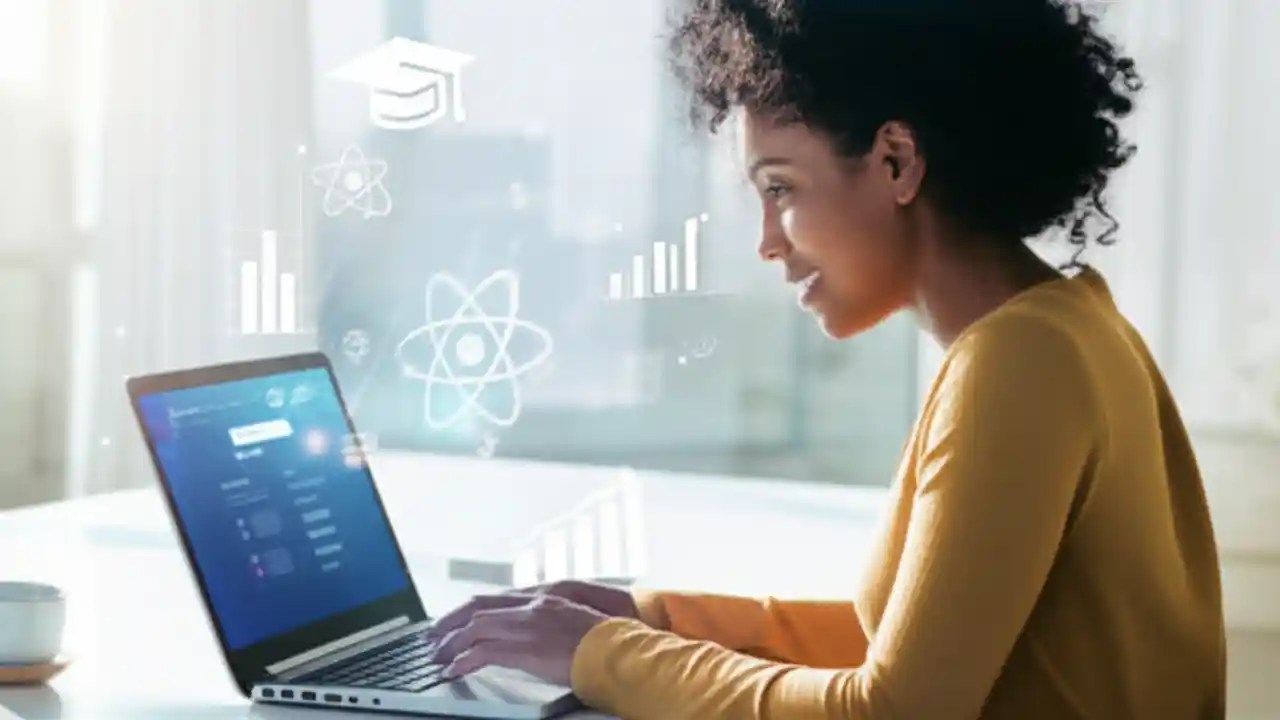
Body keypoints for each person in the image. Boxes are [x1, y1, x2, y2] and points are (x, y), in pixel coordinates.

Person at [427, 0, 1228, 717]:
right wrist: (654, 617)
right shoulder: (1071, 327)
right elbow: (899, 639)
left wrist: (600, 657)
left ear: (896, 162)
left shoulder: (1016, 363)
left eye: (779, 189)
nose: (767, 243)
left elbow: (892, 709)